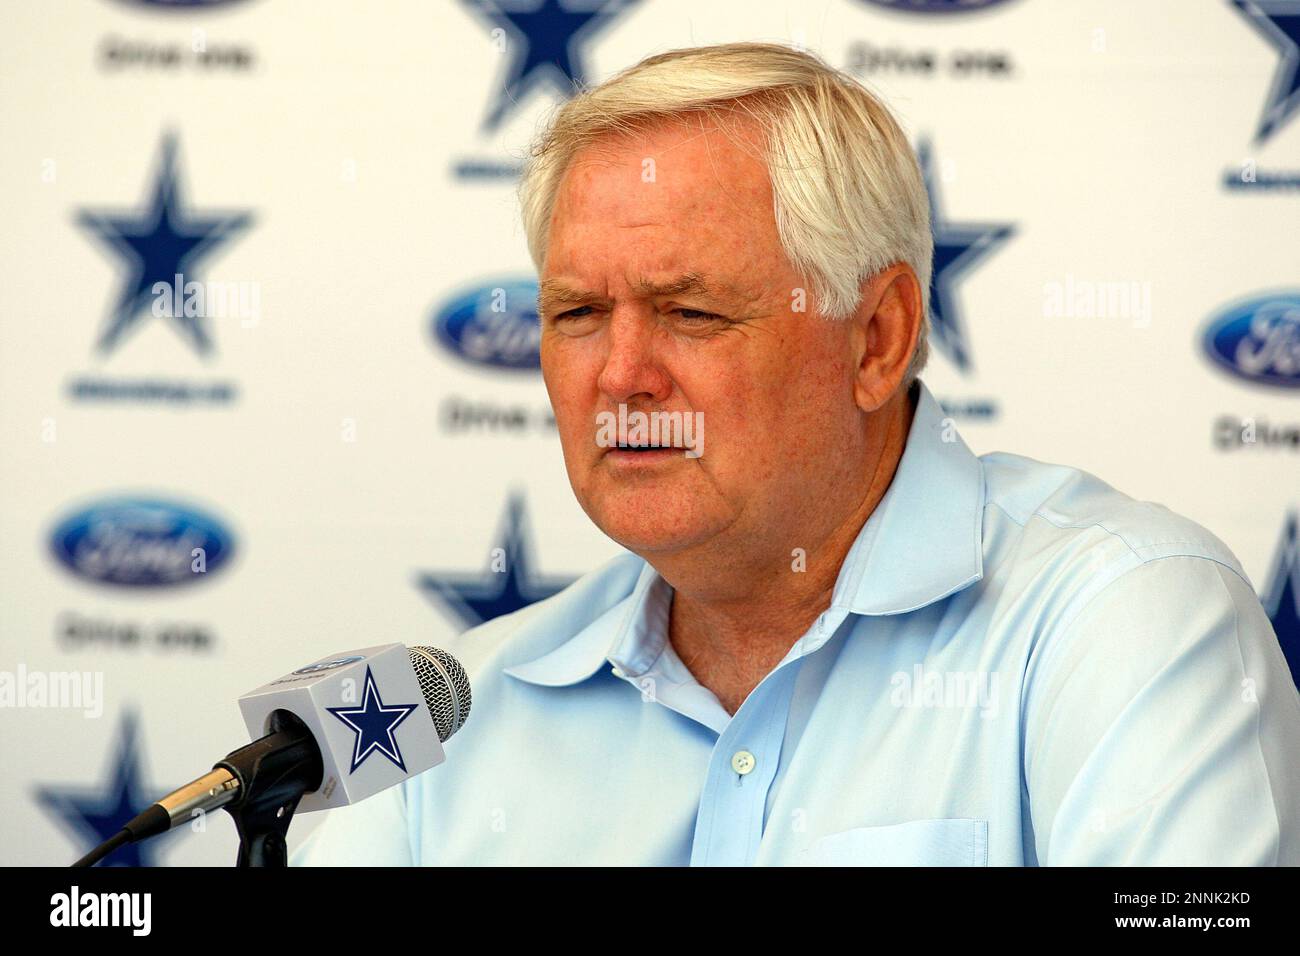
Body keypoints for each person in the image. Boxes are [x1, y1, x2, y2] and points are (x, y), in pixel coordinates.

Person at [294, 42, 1300, 866]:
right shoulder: (445, 709)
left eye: (690, 312)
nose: (621, 375)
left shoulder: (1125, 620)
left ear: (877, 339)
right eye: (577, 314)